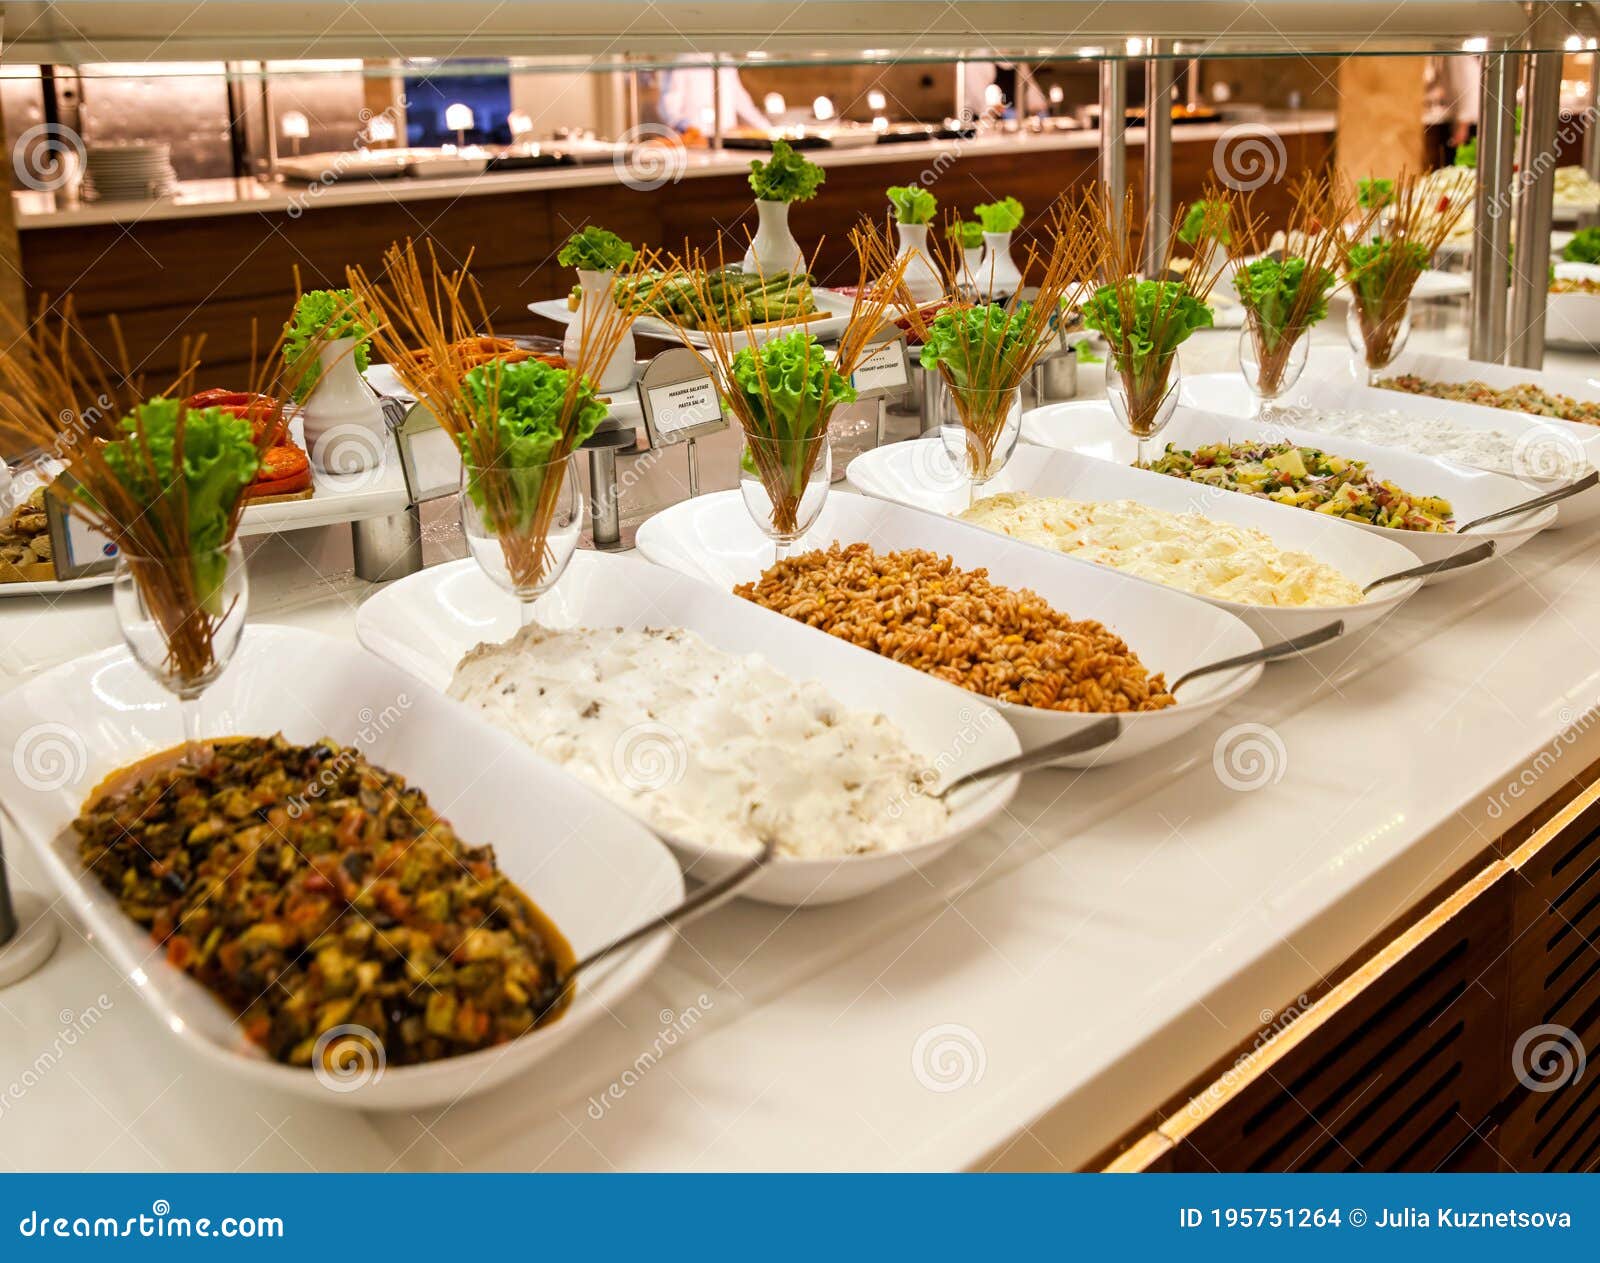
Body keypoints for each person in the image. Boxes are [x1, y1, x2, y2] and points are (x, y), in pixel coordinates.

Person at [655, 60, 768, 134]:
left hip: (726, 139)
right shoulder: (682, 62)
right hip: (694, 143)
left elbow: (743, 104)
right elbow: (669, 108)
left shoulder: (726, 62)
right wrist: (685, 126)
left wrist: (767, 129)